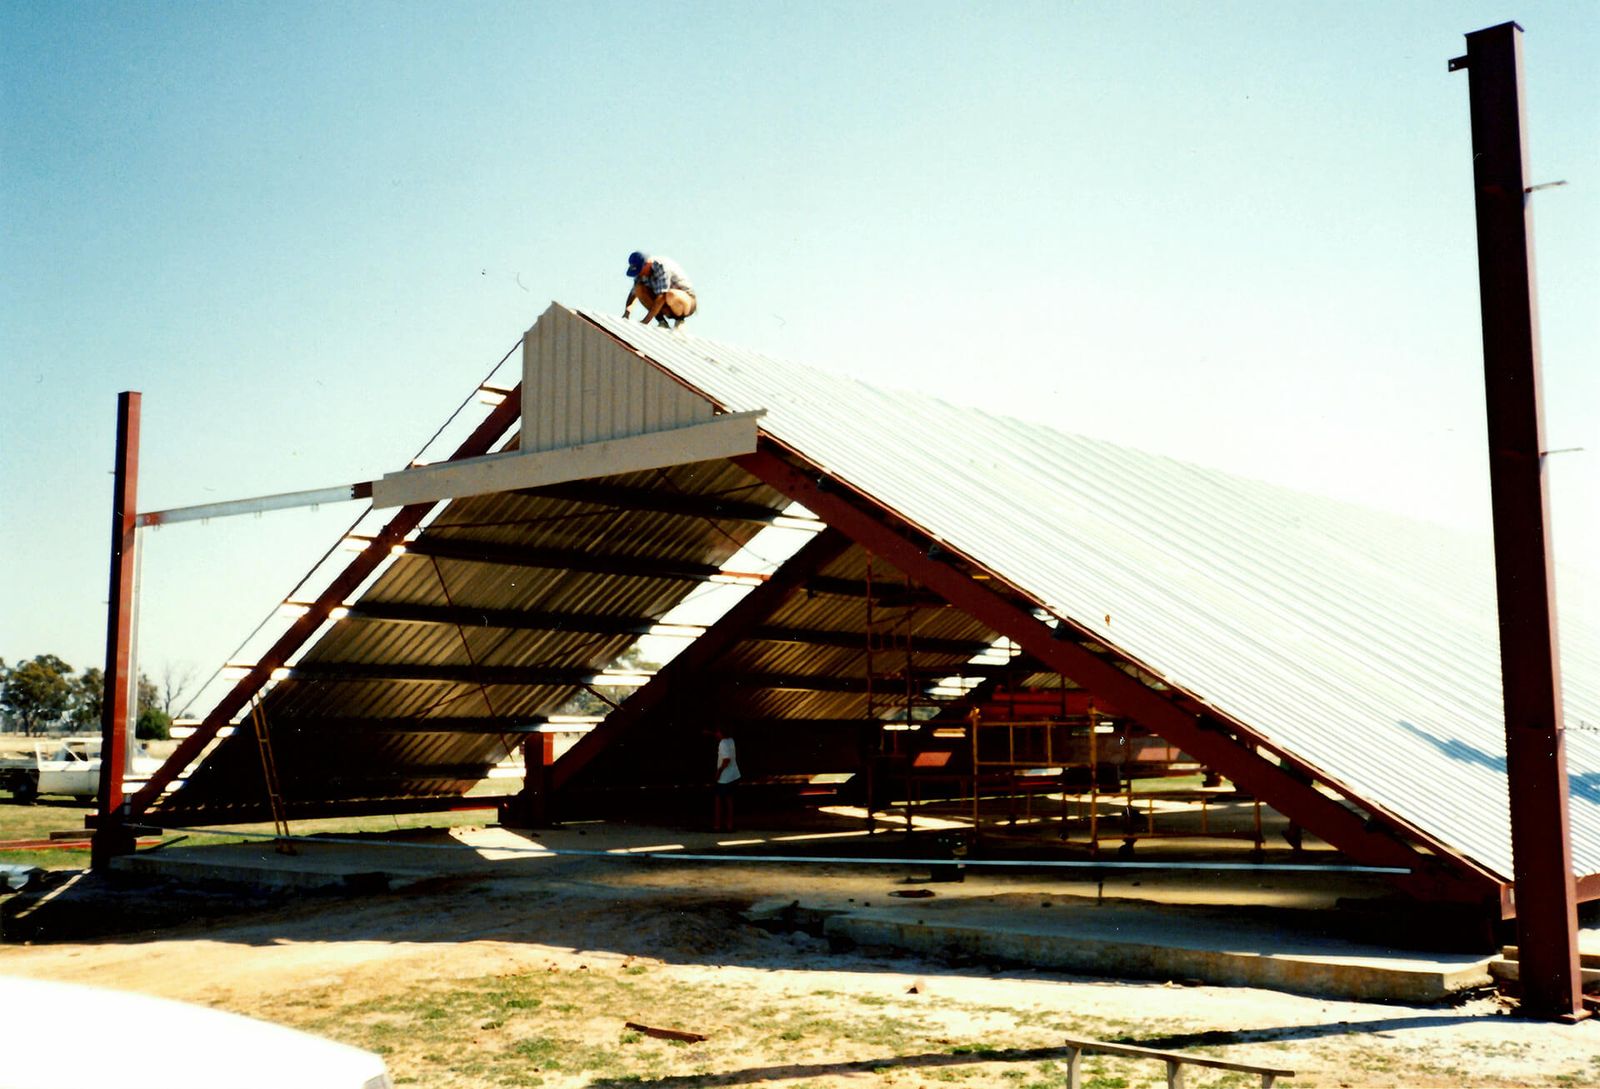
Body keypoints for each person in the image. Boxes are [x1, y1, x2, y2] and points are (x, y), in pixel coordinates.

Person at [623, 250, 697, 329]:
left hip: (686, 302)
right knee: (639, 288)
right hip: (666, 305)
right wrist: (627, 313)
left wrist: (645, 321)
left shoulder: (661, 266)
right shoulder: (641, 274)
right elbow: (634, 293)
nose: (639, 273)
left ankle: (680, 321)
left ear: (647, 264)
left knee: (670, 295)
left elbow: (662, 296)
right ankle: (662, 322)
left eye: (640, 270)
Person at [712, 726, 740, 832]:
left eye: (718, 732)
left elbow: (726, 759)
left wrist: (718, 772)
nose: (716, 734)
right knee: (729, 800)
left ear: (721, 733)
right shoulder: (731, 740)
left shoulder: (723, 743)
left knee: (718, 800)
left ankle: (717, 825)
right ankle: (729, 824)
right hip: (733, 775)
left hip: (724, 777)